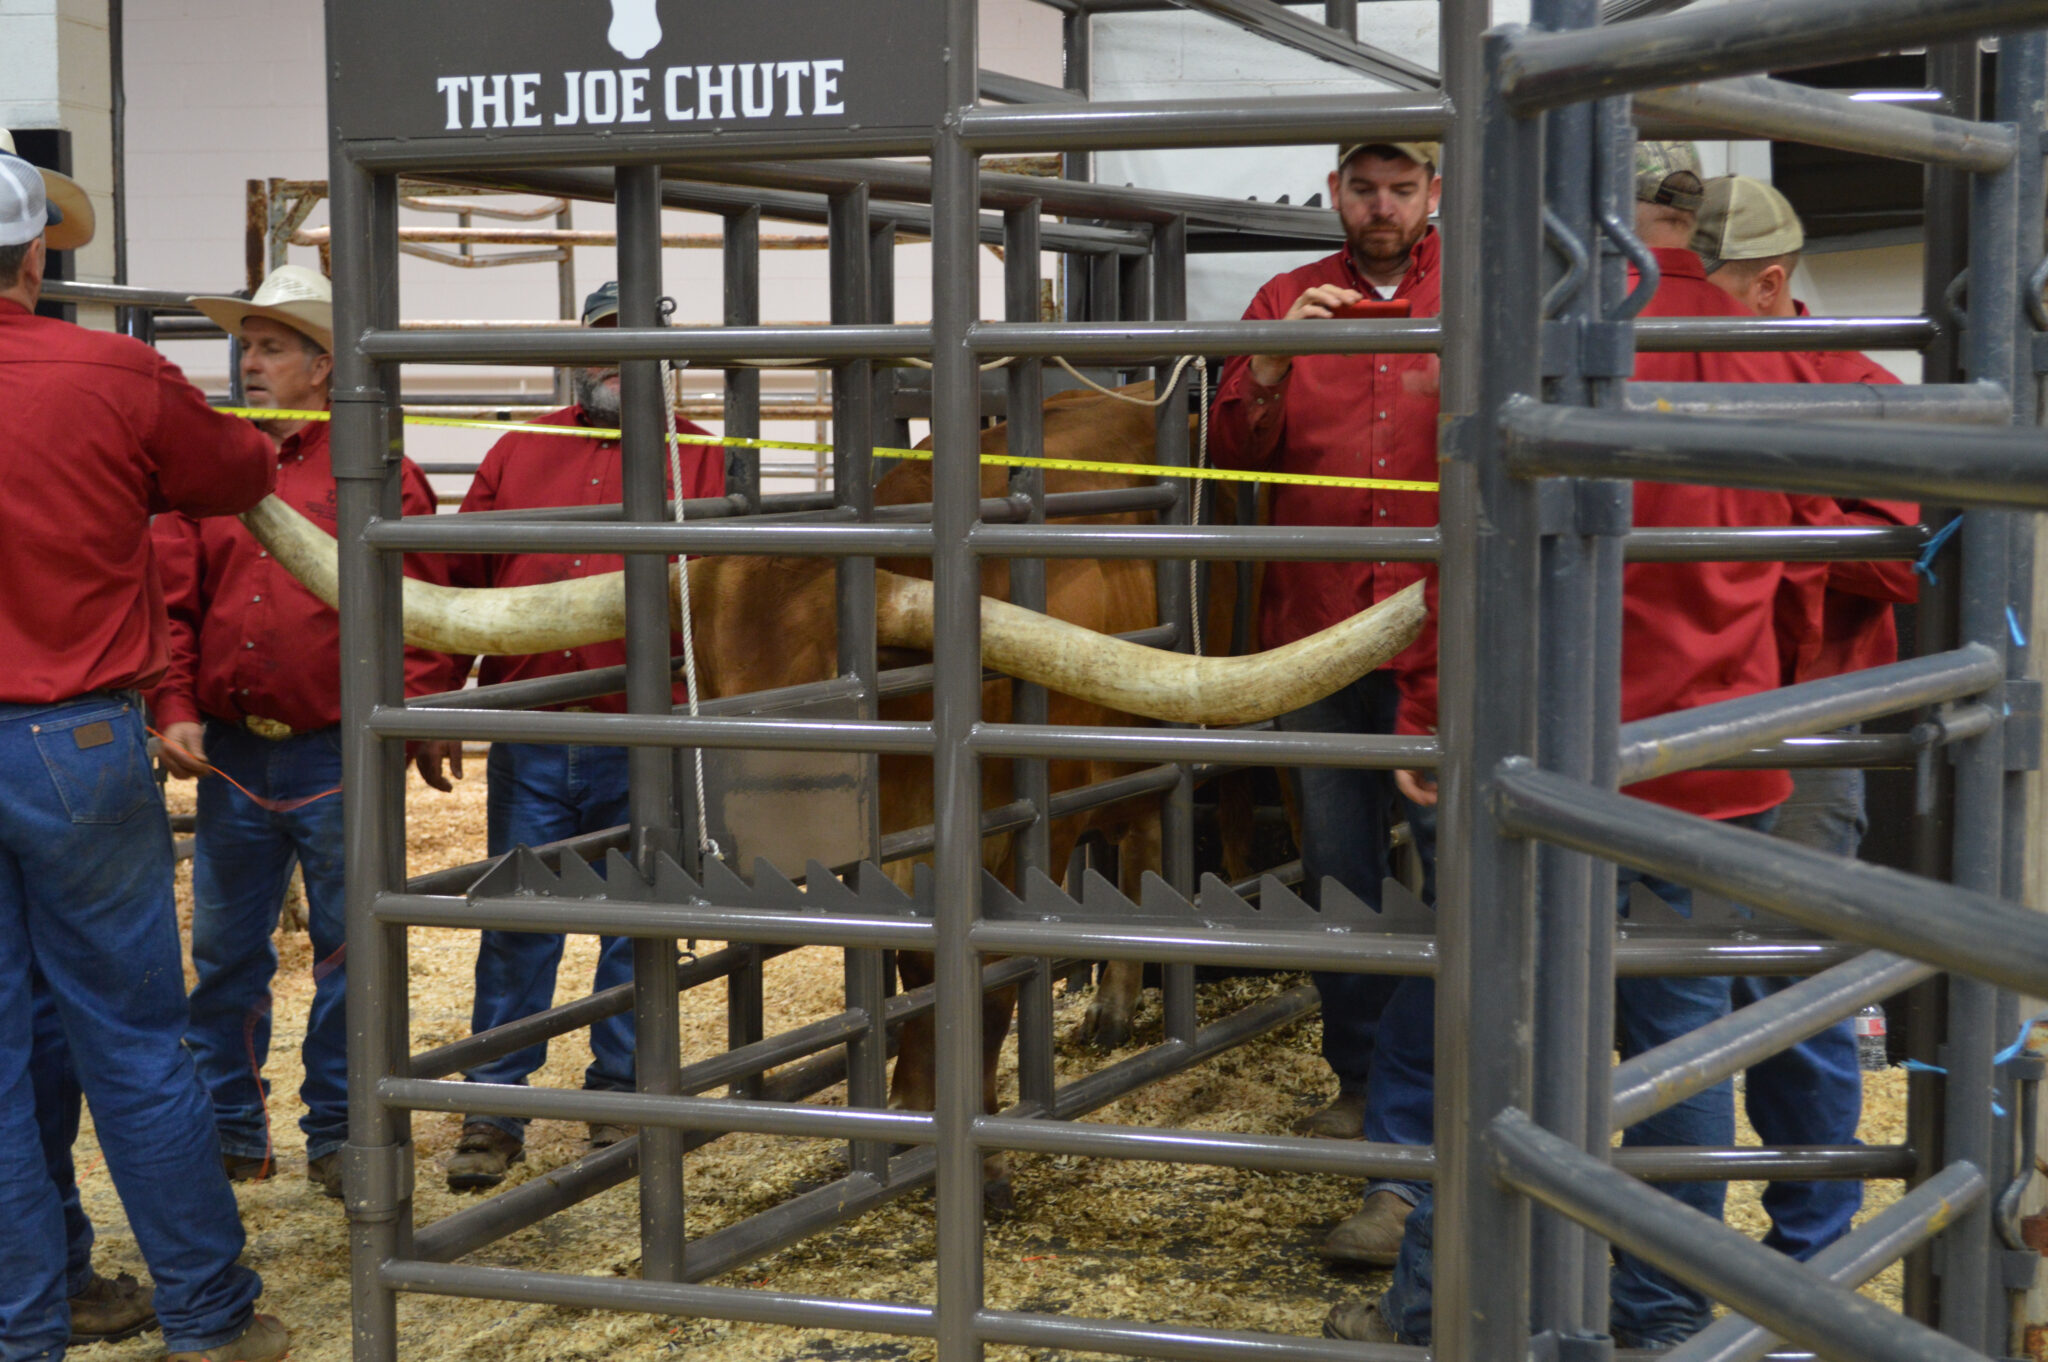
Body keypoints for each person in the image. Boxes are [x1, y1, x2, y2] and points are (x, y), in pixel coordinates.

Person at [1327, 143, 1847, 1348]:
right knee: (1684, 1046)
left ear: (1575, 213)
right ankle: (1656, 1317)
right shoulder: (1773, 348)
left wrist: (1425, 709)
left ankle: (1432, 1305)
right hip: (1718, 757)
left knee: (1492, 1031)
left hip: (1544, 762)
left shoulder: (1527, 326)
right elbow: (1831, 534)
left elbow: (1460, 539)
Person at [0, 147, 289, 1362]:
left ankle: (29, 1320)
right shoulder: (108, 369)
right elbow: (236, 468)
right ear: (32, 252)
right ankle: (209, 1317)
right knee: (131, 1033)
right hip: (68, 735)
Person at [149, 264, 462, 1198]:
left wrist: (417, 713)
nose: (250, 363)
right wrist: (171, 706)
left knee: (348, 953)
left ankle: (340, 1133)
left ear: (323, 366)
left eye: (272, 347)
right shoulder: (207, 469)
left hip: (341, 748)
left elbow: (423, 603)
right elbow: (170, 596)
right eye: (246, 346)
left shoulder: (378, 471)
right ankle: (232, 1130)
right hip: (236, 749)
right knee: (226, 956)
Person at [429, 280, 727, 1191]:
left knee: (636, 922)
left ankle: (620, 1097)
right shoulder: (520, 450)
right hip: (532, 723)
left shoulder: (704, 466)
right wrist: (434, 697)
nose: (616, 363)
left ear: (667, 365)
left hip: (645, 733)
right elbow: (453, 576)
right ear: (579, 354)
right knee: (519, 919)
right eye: (603, 343)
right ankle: (493, 1110)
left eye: (635, 346)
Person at [1209, 141, 1444, 1259]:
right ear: (1334, 195)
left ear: (1432, 195)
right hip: (1318, 637)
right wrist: (1264, 370)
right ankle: (1357, 1079)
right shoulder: (1277, 300)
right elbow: (1225, 459)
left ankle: (1436, 1107)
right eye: (1363, 187)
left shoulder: (1477, 292)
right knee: (1339, 868)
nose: (1381, 205)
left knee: (1456, 874)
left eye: (1401, 188)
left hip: (1447, 637)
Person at [1695, 173, 1918, 1261]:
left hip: (1802, 718)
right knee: (1674, 979)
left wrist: (1770, 535)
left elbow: (1897, 549)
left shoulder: (1854, 384)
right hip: (1683, 715)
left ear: (1767, 280)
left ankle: (1813, 1251)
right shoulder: (1673, 370)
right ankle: (1672, 1254)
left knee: (1793, 977)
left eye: (1706, 282)